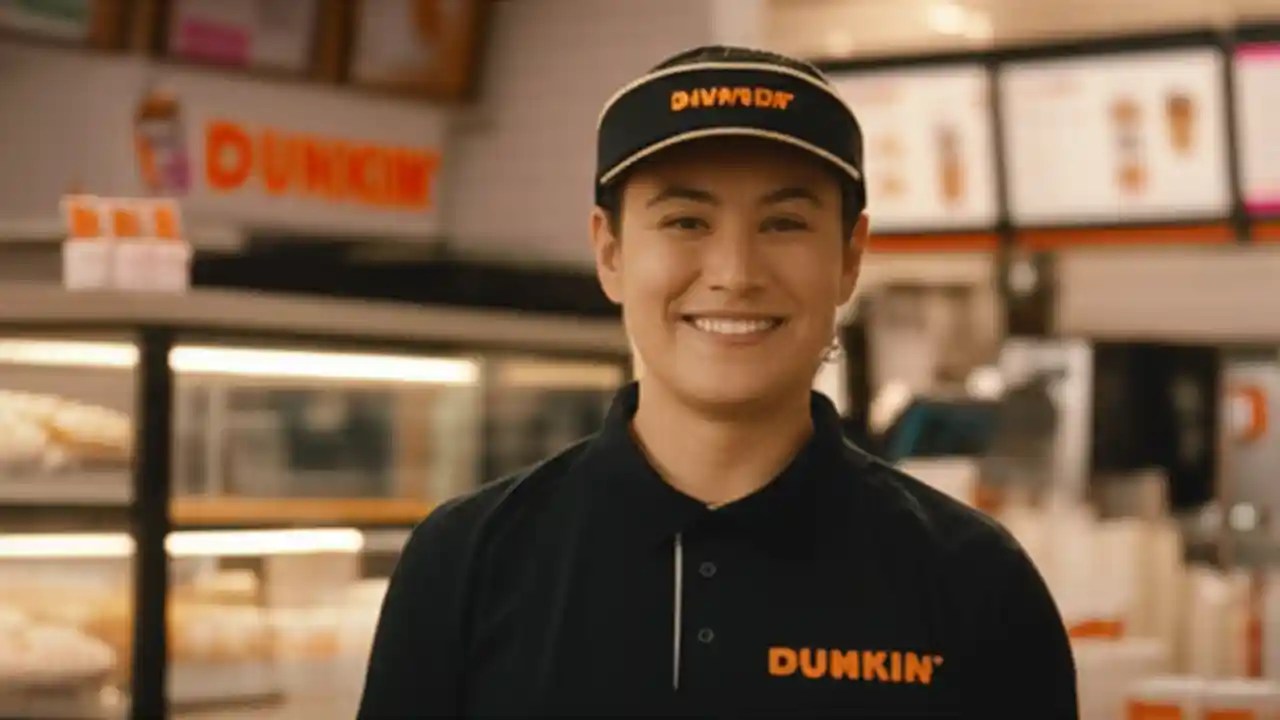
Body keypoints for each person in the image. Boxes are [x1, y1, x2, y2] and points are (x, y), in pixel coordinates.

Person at [357, 45, 1078, 718]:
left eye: (785, 223)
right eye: (685, 220)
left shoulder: (978, 584)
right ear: (610, 253)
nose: (734, 272)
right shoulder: (464, 564)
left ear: (849, 259)